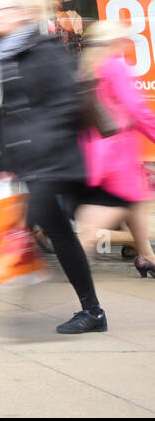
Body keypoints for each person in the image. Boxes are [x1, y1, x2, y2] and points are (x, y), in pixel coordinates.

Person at [0, 0, 105, 334]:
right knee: (58, 234)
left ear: (20, 14)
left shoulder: (43, 50)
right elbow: (17, 113)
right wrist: (7, 161)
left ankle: (30, 313)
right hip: (40, 162)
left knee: (29, 228)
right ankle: (91, 310)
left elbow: (64, 105)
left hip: (55, 160)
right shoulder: (13, 52)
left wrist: (38, 153)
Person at [76, 20, 155, 277]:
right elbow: (136, 111)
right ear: (112, 43)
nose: (124, 44)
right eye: (121, 40)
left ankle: (147, 256)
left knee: (135, 203)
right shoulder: (115, 67)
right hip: (119, 157)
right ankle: (74, 264)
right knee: (114, 208)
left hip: (98, 153)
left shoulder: (88, 68)